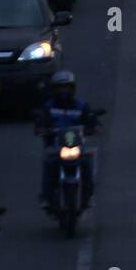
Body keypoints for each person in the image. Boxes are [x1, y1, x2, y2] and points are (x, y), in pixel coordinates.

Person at [35, 71, 101, 211]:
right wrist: (42, 129)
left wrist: (93, 127)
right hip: (55, 147)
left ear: (72, 88)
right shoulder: (48, 107)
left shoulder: (81, 106)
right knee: (49, 164)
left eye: (66, 87)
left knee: (88, 163)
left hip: (77, 147)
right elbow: (40, 122)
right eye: (60, 87)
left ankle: (88, 196)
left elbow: (92, 121)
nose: (63, 91)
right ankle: (46, 198)